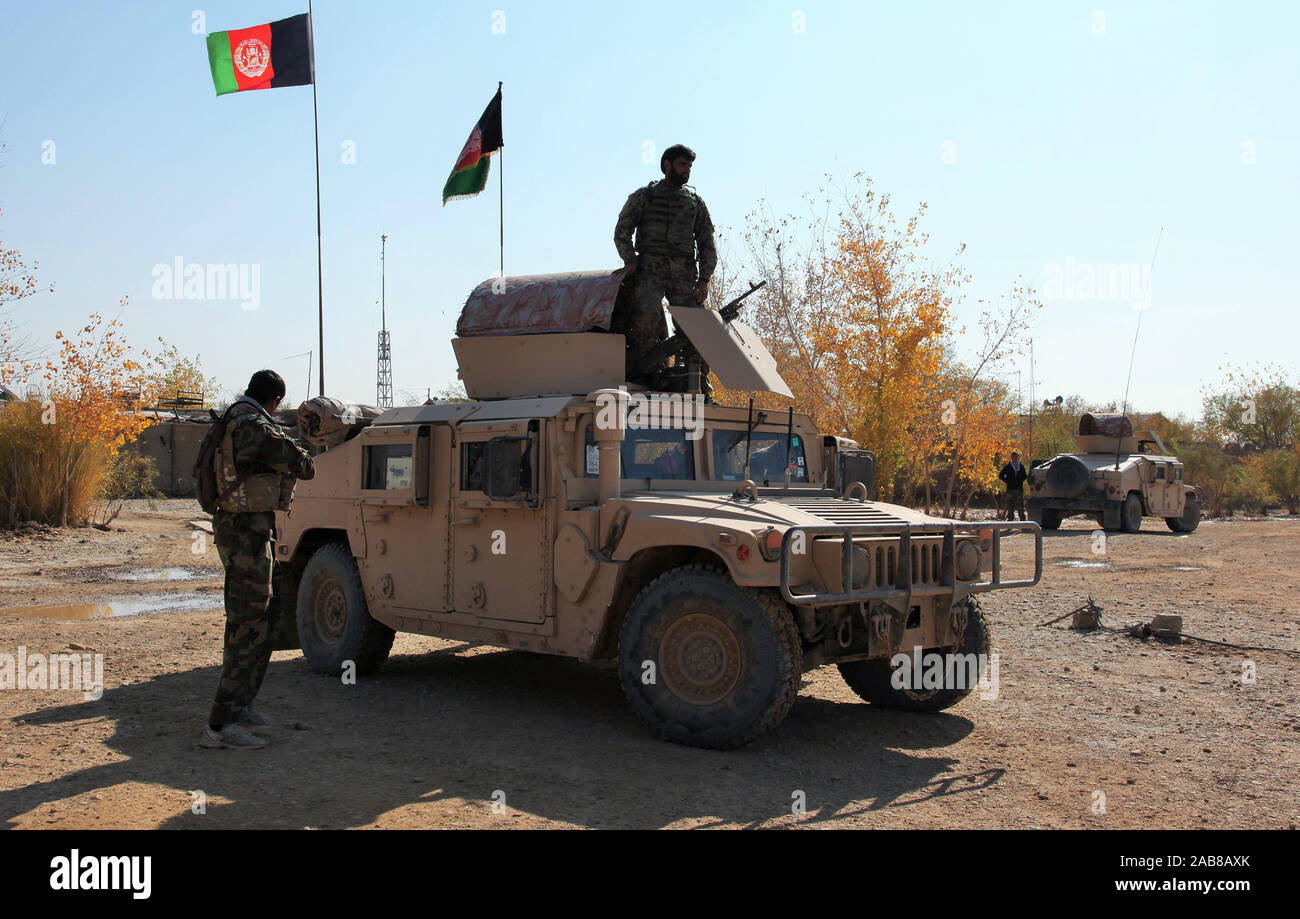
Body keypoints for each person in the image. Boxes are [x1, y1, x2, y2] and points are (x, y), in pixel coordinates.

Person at [200, 370, 315, 750]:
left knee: (265, 617)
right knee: (246, 625)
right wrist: (302, 444)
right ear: (275, 401)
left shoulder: (235, 418)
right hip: (243, 534)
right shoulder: (253, 426)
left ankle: (242, 704)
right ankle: (221, 725)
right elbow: (304, 466)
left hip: (250, 531)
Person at [613, 144, 717, 393]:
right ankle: (644, 378)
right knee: (644, 323)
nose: (687, 171)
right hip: (649, 270)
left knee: (695, 327)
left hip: (684, 273)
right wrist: (630, 261)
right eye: (682, 165)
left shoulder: (695, 203)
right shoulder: (644, 196)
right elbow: (622, 231)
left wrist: (704, 280)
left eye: (690, 166)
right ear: (667, 165)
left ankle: (698, 381)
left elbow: (706, 243)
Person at [998, 451, 1029, 521]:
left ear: (1018, 457)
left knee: (1020, 505)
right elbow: (1001, 475)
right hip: (1010, 489)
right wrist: (1008, 481)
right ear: (1011, 458)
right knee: (1010, 505)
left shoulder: (1021, 466)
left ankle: (1022, 521)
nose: (1015, 458)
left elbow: (1025, 476)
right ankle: (1010, 520)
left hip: (1019, 489)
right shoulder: (1008, 466)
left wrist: (1019, 481)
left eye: (1016, 457)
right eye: (1013, 457)